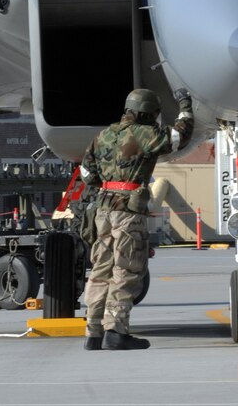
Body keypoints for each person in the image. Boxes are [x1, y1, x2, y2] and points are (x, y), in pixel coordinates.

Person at [80, 87, 194, 350]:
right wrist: (185, 104)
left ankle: (93, 332)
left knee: (100, 270)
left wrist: (110, 184)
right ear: (147, 113)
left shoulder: (103, 135)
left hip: (103, 210)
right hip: (128, 213)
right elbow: (179, 136)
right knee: (126, 270)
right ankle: (116, 332)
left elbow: (87, 173)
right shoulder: (145, 134)